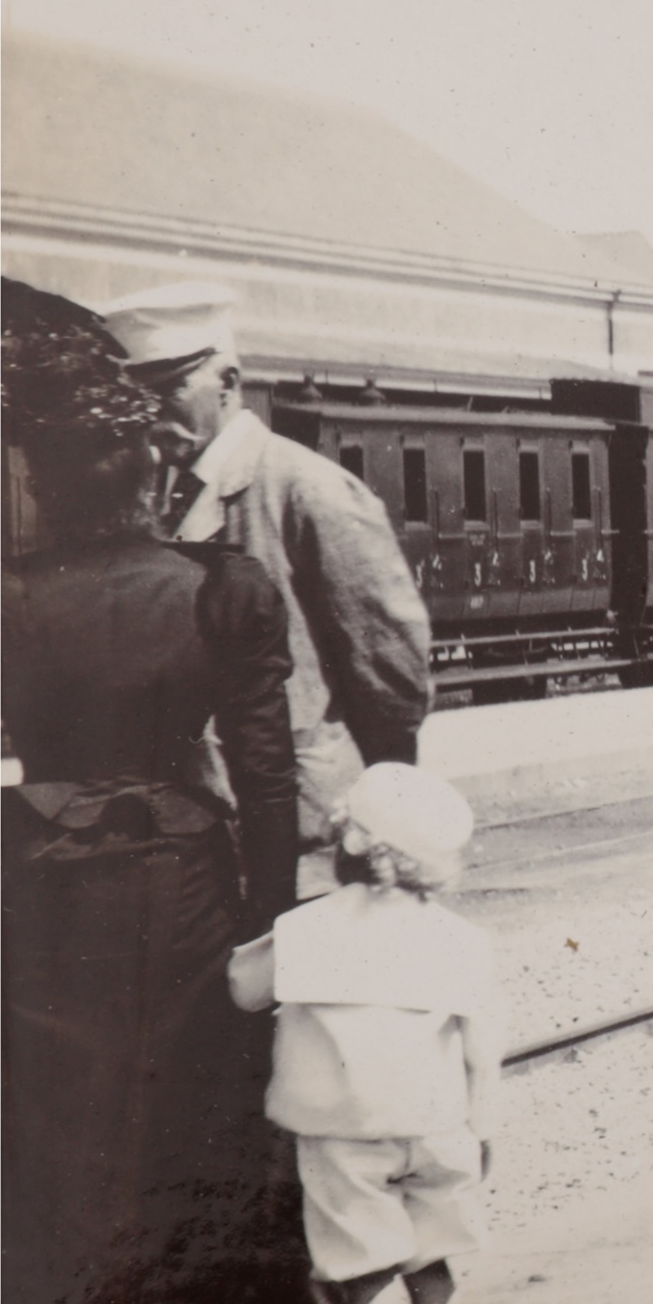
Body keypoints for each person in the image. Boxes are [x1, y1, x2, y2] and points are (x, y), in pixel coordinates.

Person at [2, 279, 306, 1304]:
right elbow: (270, 779)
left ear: (48, 481)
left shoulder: (6, 597)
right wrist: (271, 924)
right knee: (191, 1130)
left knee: (53, 1144)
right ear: (147, 477)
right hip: (188, 887)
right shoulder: (223, 588)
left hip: (42, 894)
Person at [100, 281, 437, 874]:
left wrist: (382, 808)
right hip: (205, 837)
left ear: (227, 382)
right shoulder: (162, 498)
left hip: (309, 834)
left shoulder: (307, 489)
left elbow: (391, 676)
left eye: (169, 390)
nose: (150, 414)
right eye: (138, 396)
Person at [229, 762, 505, 1304]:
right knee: (431, 1258)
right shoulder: (463, 940)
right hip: (440, 1127)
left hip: (345, 1134)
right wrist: (482, 1130)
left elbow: (243, 988)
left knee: (367, 1266)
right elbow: (483, 1051)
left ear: (346, 841)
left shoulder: (309, 928)